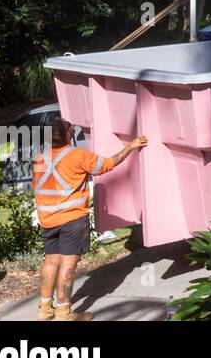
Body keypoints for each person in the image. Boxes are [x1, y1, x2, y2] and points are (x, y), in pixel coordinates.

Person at [33, 119, 147, 321]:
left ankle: (44, 310)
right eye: (71, 130)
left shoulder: (40, 157)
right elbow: (108, 164)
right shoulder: (77, 155)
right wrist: (131, 146)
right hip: (71, 219)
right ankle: (63, 313)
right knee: (68, 265)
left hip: (48, 219)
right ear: (68, 135)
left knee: (50, 262)